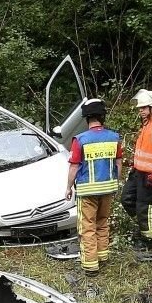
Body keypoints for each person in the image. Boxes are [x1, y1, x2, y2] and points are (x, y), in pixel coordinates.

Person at [65, 98, 120, 275]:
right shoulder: (114, 137)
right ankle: (103, 256)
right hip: (108, 188)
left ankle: (90, 265)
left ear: (86, 118)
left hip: (87, 191)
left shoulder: (80, 140)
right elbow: (118, 164)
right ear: (102, 116)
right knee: (102, 222)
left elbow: (74, 166)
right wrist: (115, 182)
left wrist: (68, 187)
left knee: (87, 226)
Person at [121, 88, 152, 252]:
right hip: (138, 172)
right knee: (127, 199)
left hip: (151, 174)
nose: (140, 111)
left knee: (146, 206)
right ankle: (144, 225)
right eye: (139, 108)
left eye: (143, 108)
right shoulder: (146, 124)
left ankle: (148, 240)